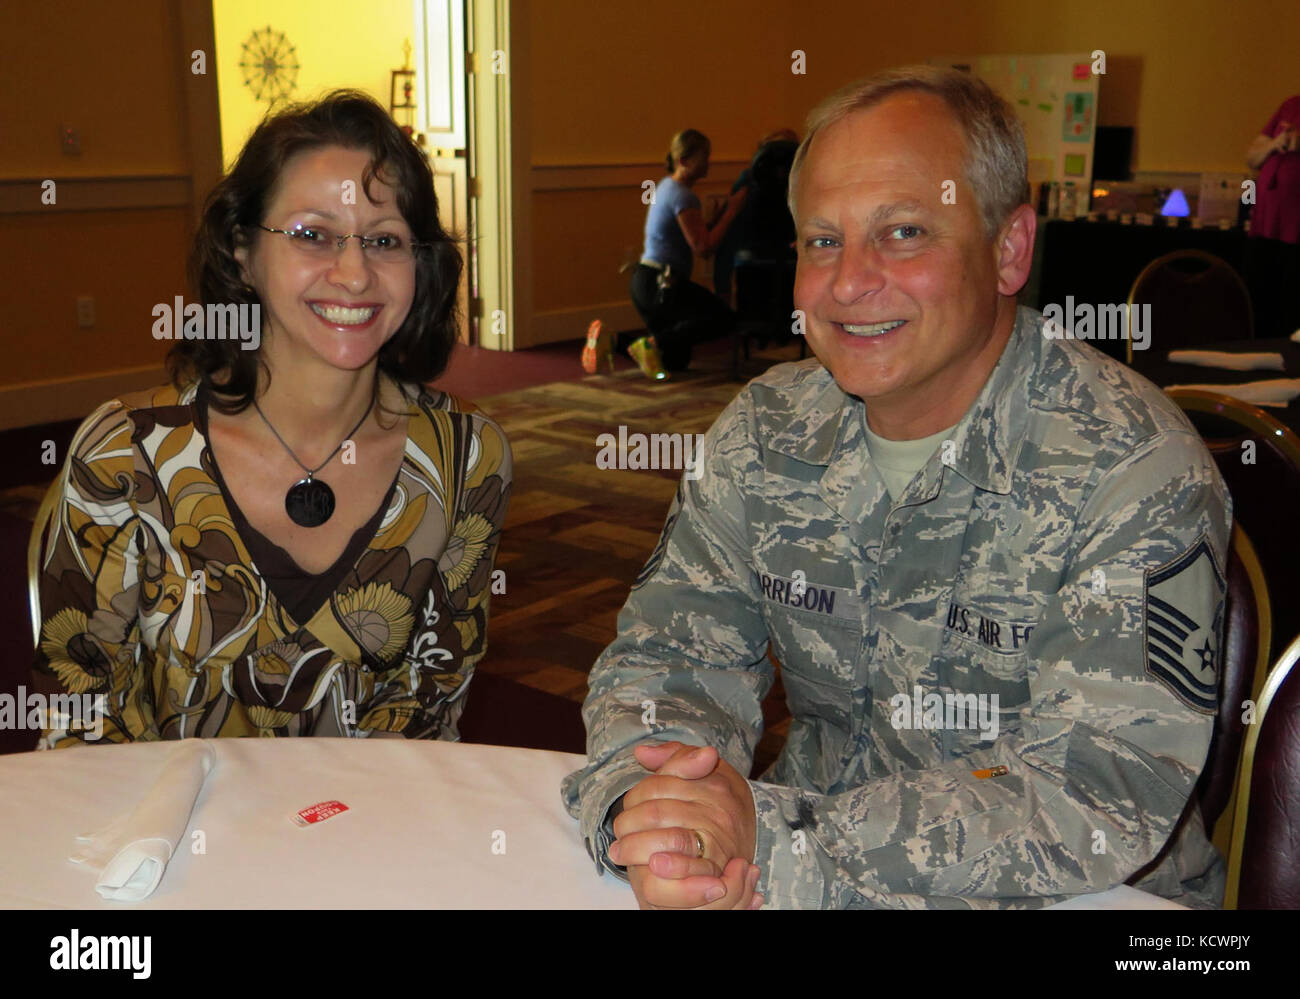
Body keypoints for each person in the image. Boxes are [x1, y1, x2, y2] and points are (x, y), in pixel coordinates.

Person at [562, 66, 1231, 910]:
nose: (848, 282)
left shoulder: (1135, 468)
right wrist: (660, 808)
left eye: (905, 232)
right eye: (822, 240)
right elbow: (670, 656)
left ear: (1011, 249)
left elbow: (1094, 787)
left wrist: (777, 835)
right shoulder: (765, 431)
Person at [30, 91, 512, 745]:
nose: (353, 273)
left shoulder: (467, 456)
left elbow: (429, 705)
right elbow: (77, 713)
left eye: (384, 240)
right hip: (166, 838)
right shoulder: (125, 454)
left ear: (419, 264)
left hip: (371, 829)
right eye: (313, 235)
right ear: (242, 251)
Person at [586, 129, 745, 379]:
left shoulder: (666, 186)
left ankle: (614, 340)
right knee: (723, 318)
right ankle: (651, 343)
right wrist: (731, 212)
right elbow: (703, 248)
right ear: (684, 161)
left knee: (675, 361)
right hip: (663, 286)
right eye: (704, 157)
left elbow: (690, 234)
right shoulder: (683, 195)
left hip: (645, 282)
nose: (709, 163)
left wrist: (715, 219)